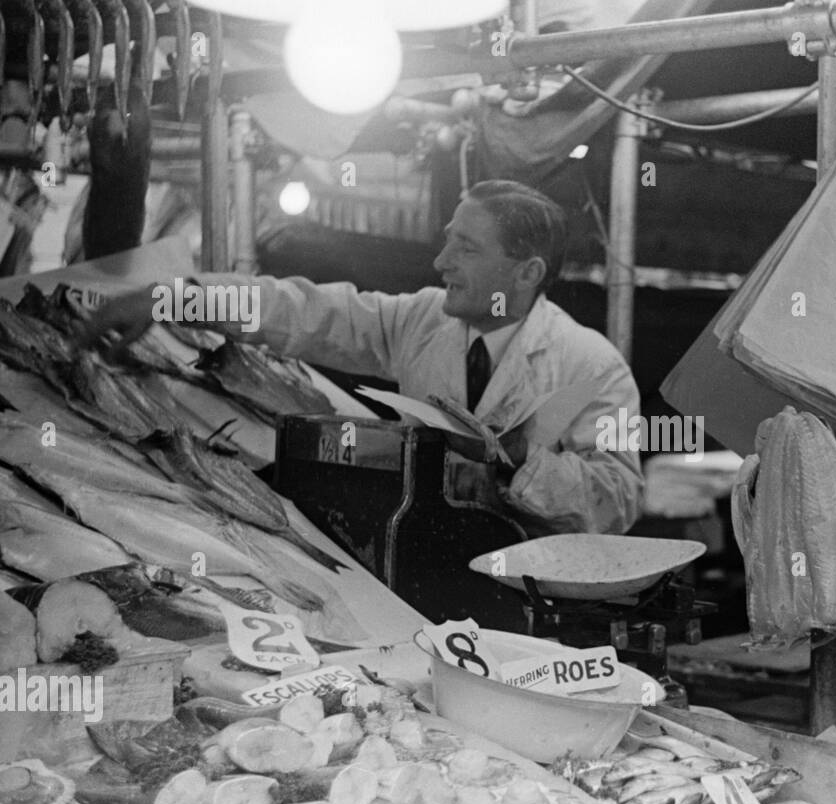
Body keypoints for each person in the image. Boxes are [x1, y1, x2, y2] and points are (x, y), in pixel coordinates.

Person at [82, 179, 643, 537]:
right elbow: (308, 312)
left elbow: (619, 498)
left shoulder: (591, 365)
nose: (442, 261)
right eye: (448, 239)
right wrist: (177, 297)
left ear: (527, 273)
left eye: (467, 249)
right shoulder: (422, 319)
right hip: (422, 560)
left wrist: (519, 461)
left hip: (531, 596)